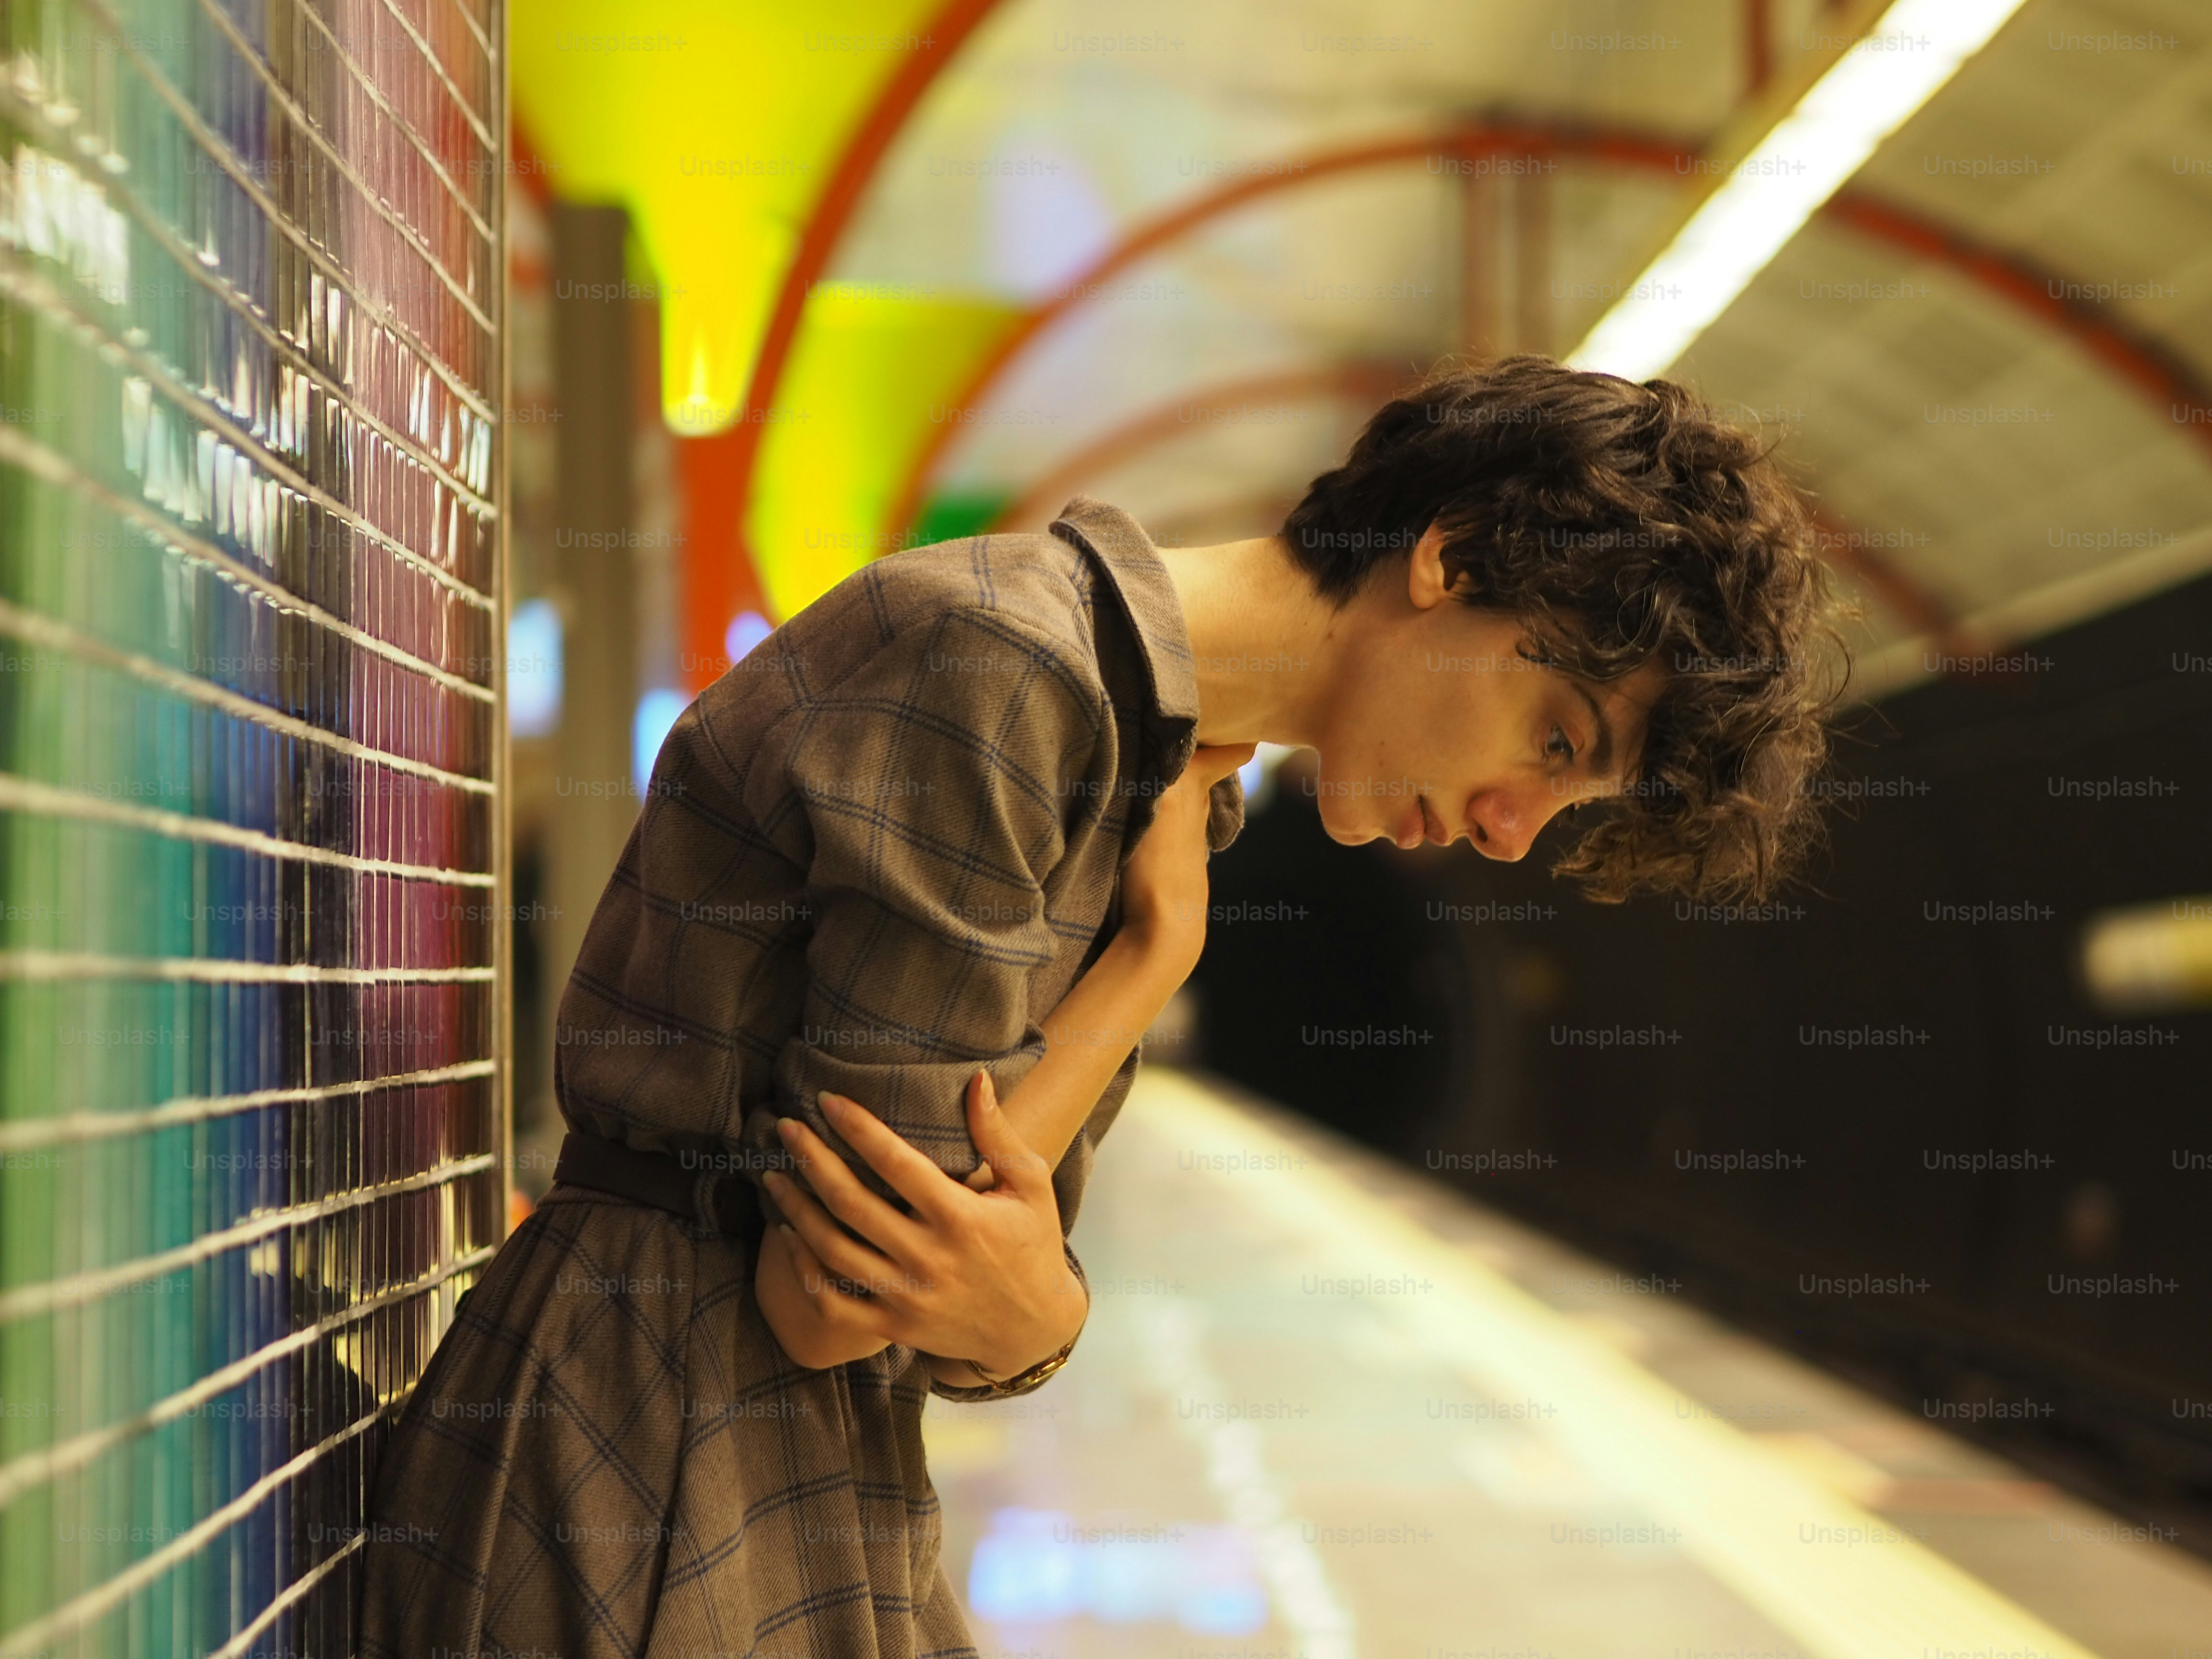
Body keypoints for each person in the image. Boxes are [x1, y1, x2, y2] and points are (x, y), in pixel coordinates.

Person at [358, 354, 1841, 1658]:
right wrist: (1149, 970)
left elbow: (984, 1275)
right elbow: (834, 1298)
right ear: (1447, 558)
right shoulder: (1007, 673)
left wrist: (1034, 1311)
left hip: (784, 1458)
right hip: (639, 1454)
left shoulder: (1151, 764)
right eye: (1556, 737)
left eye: (1568, 797)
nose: (1519, 828)